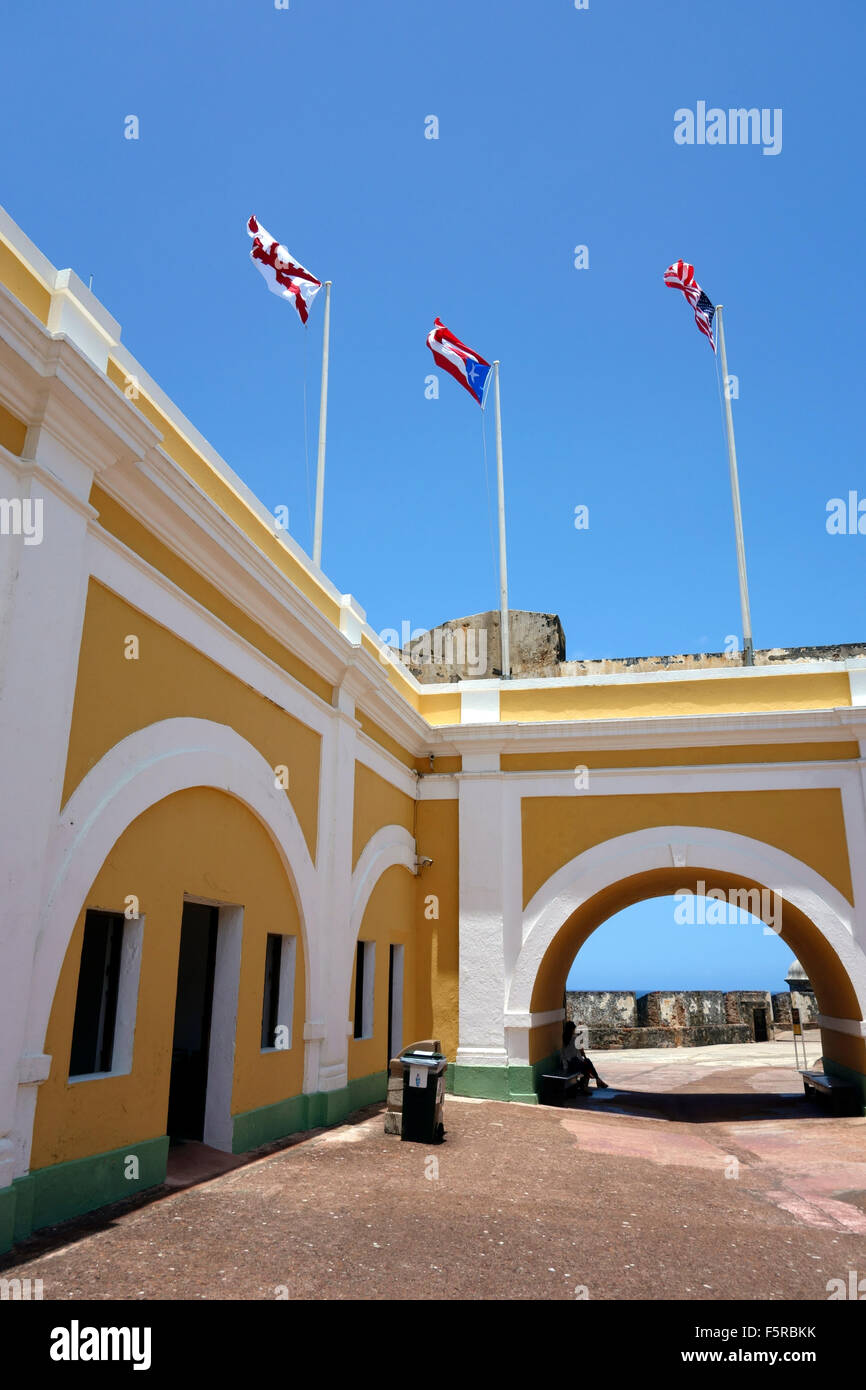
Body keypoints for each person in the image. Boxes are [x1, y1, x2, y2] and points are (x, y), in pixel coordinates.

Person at [559, 1020, 608, 1091]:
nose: (574, 1031)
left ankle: (595, 1081)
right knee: (587, 1064)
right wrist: (585, 1061)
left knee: (587, 1065)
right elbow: (579, 1055)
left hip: (567, 1063)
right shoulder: (574, 1039)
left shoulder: (565, 1038)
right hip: (572, 1063)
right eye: (574, 1029)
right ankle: (596, 1081)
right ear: (572, 1029)